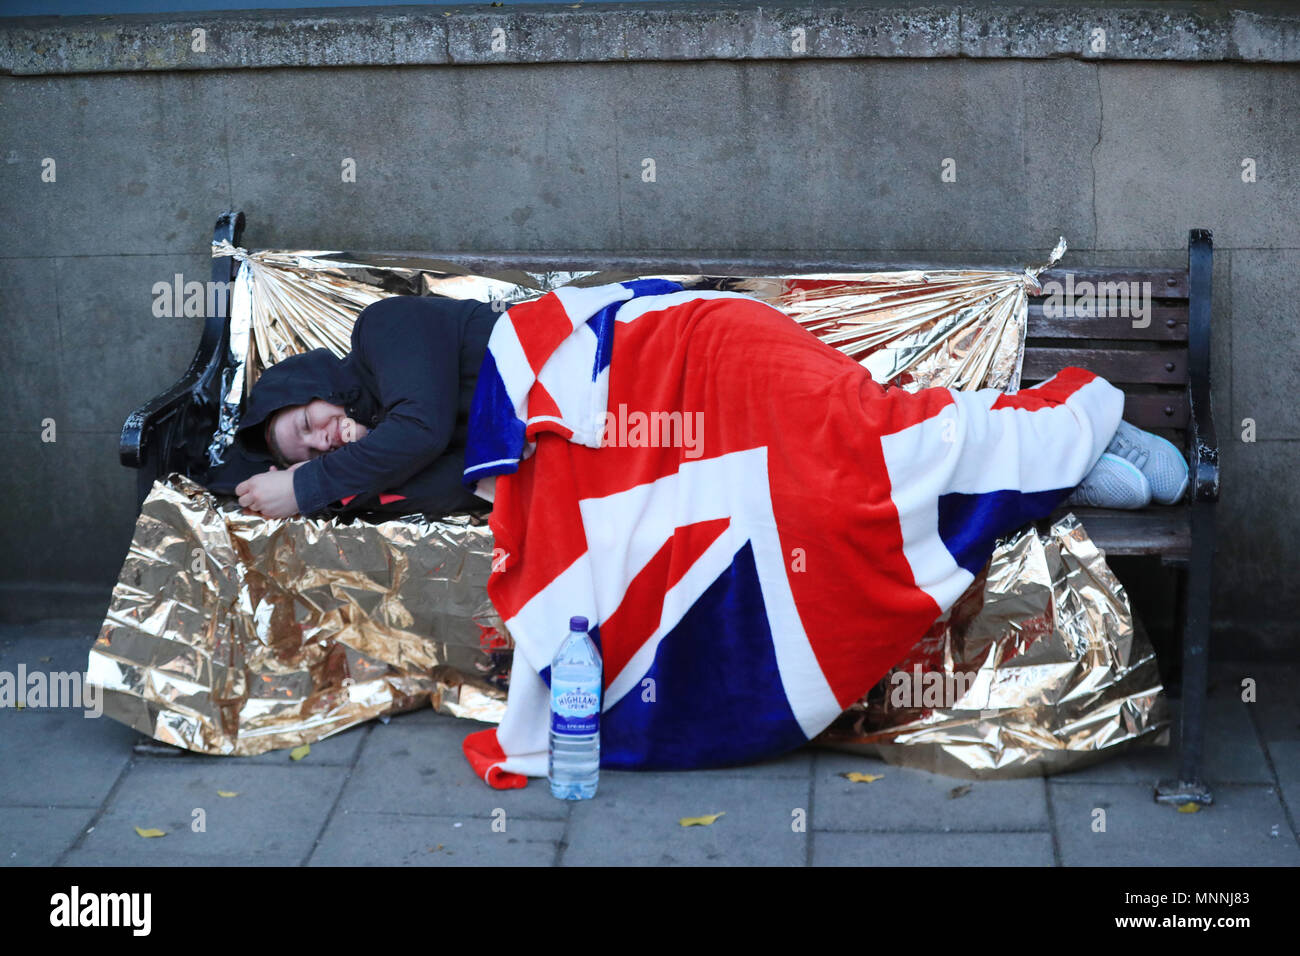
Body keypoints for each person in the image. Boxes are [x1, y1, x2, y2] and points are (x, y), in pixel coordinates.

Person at [201, 294, 500, 521]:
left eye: (306, 423)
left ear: (318, 387)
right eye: (314, 456)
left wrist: (303, 486)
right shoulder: (407, 458)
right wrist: (334, 494)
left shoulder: (382, 325)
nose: (322, 442)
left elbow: (419, 430)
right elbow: (467, 485)